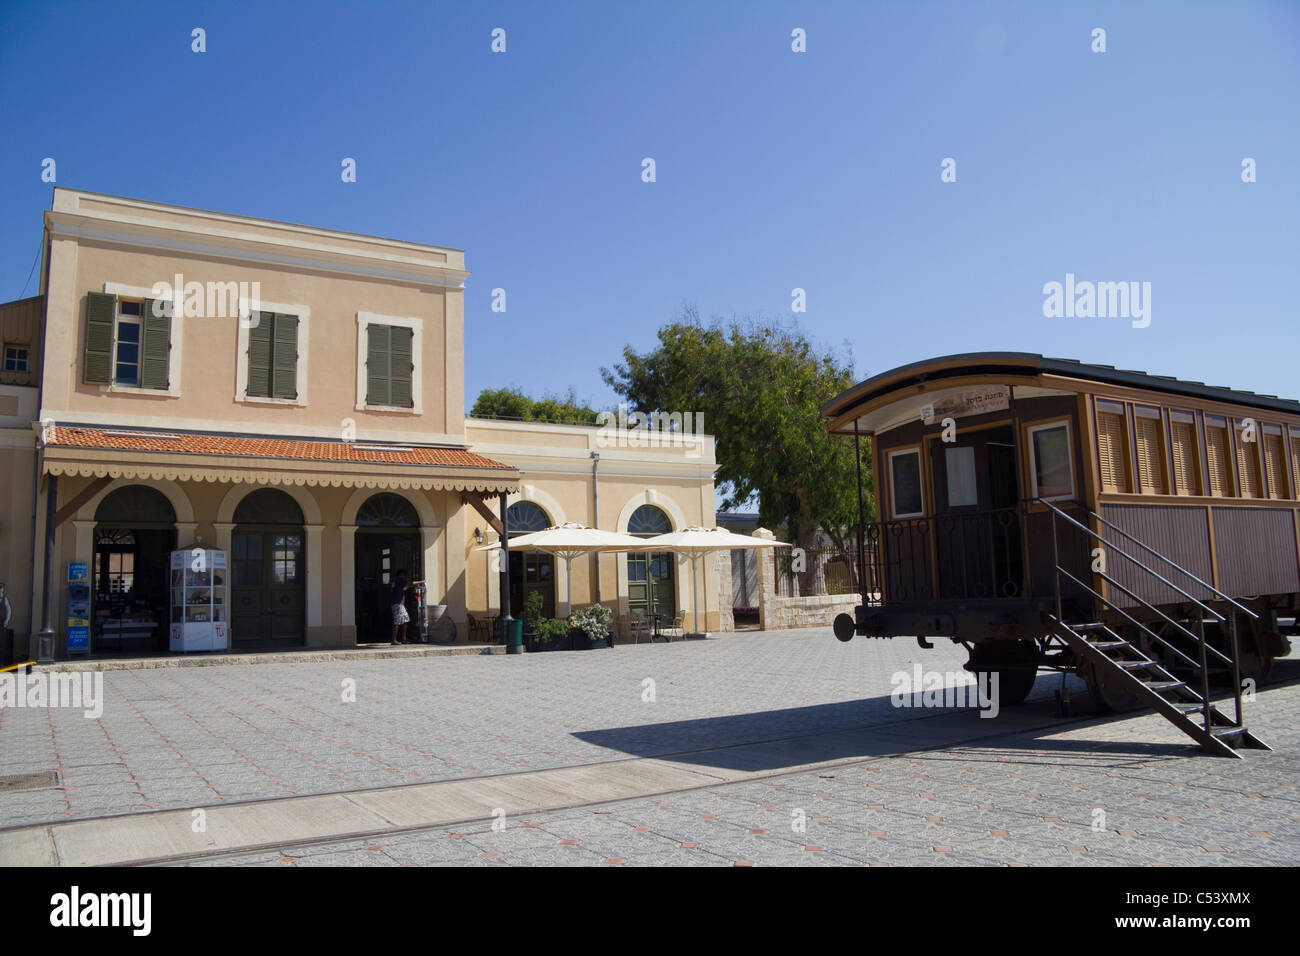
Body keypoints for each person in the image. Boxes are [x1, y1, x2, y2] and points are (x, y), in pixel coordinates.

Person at [389, 570, 424, 644]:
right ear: (400, 575)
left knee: (405, 620)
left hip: (399, 604)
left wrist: (413, 585)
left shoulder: (397, 582)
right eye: (403, 575)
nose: (404, 577)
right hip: (398, 604)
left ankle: (403, 639)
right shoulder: (399, 580)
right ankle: (394, 640)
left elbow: (406, 587)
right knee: (397, 621)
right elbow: (410, 583)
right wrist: (422, 581)